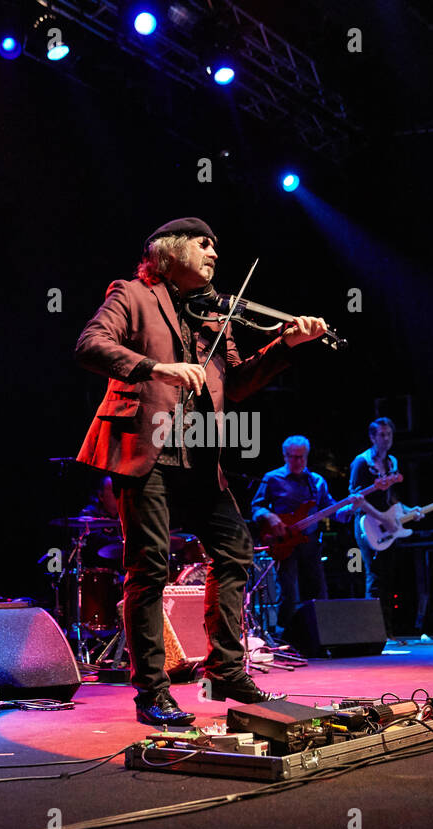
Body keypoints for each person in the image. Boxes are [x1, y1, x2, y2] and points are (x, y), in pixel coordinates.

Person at [75, 216, 330, 726]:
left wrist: (286, 346)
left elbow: (235, 384)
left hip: (198, 453)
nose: (214, 251)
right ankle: (151, 689)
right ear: (168, 251)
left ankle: (225, 670)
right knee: (148, 568)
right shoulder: (132, 293)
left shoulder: (214, 317)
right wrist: (157, 368)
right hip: (144, 445)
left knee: (235, 551)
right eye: (203, 242)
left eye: (216, 244)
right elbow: (90, 345)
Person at [250, 435, 343, 637]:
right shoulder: (273, 478)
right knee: (289, 593)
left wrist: (348, 509)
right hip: (285, 544)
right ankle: (288, 637)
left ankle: (320, 636)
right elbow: (256, 507)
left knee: (318, 591)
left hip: (310, 543)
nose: (297, 461)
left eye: (301, 457)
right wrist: (270, 517)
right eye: (293, 457)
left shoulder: (317, 481)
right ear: (285, 456)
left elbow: (331, 509)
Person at [341, 417, 404, 640]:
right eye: (382, 435)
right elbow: (357, 499)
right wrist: (381, 518)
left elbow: (391, 496)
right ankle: (374, 632)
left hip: (385, 520)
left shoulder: (392, 462)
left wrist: (405, 511)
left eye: (389, 435)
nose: (386, 440)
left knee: (389, 576)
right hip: (366, 522)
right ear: (372, 437)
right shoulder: (361, 462)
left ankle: (388, 630)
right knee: (374, 575)